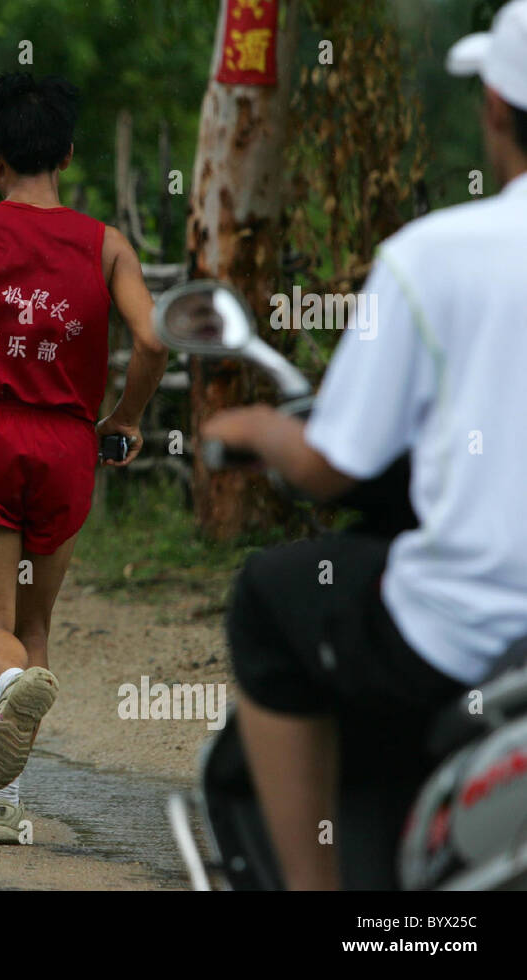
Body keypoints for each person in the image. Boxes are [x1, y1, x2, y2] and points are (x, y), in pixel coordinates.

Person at [201, 0, 527, 889]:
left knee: (273, 595)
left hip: (464, 635)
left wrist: (256, 429)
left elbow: (332, 463)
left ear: (494, 106)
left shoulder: (435, 256)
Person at [0, 72, 167, 843]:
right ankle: (4, 804)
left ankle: (12, 693)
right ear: (68, 155)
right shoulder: (106, 245)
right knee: (33, 623)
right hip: (66, 447)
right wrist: (124, 416)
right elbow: (152, 340)